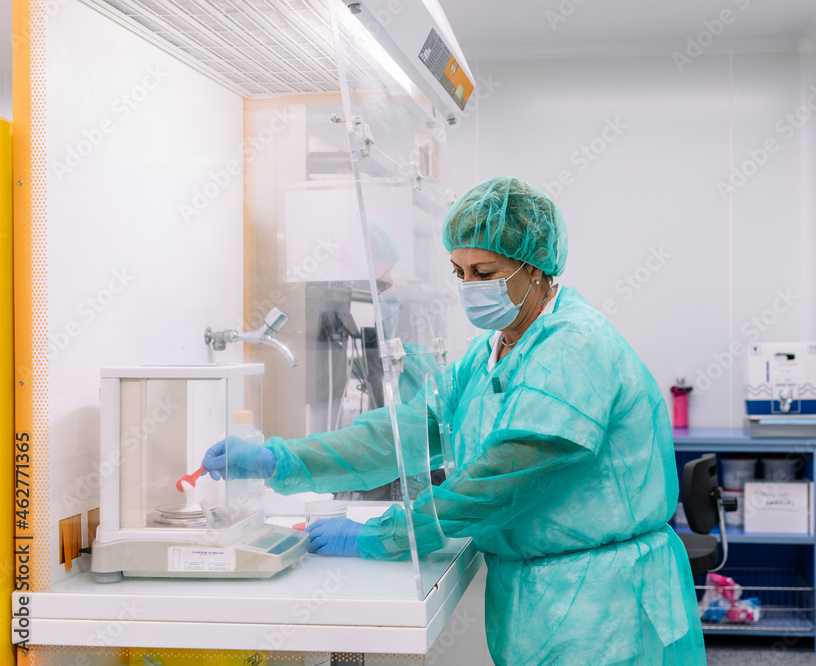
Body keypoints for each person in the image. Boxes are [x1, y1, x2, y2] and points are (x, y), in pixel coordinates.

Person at [203, 176, 706, 665]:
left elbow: (498, 482)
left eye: (484, 273)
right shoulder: (494, 350)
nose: (469, 286)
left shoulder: (573, 348)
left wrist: (386, 535)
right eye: (458, 272)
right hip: (542, 597)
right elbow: (403, 431)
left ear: (536, 268)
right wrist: (281, 459)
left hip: (606, 607)